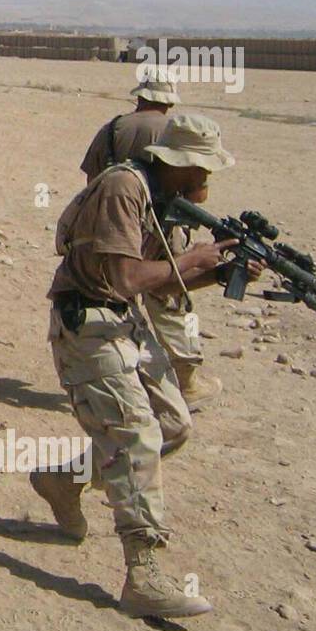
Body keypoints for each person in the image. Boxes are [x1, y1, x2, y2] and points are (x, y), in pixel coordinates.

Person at [33, 113, 263, 618]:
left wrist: (222, 271)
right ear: (175, 163)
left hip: (122, 321)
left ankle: (65, 480)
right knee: (136, 436)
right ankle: (144, 575)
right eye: (200, 169)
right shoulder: (121, 188)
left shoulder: (160, 202)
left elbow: (159, 283)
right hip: (88, 326)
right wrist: (196, 260)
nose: (206, 180)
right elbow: (126, 275)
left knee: (172, 426)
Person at [80, 74, 221, 410]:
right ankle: (186, 380)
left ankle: (116, 378)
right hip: (163, 228)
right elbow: (197, 194)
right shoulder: (173, 134)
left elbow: (91, 181)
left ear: (139, 97)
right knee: (170, 298)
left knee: (115, 295)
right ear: (169, 101)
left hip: (117, 226)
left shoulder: (112, 129)